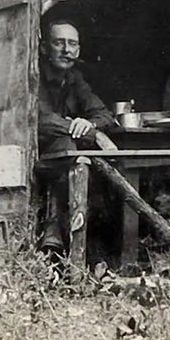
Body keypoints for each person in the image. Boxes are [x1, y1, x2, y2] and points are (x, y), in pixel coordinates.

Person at [36, 18, 118, 251]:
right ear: (44, 48)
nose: (66, 50)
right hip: (40, 155)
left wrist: (87, 124)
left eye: (72, 44)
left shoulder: (75, 79)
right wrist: (86, 132)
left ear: (79, 49)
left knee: (95, 166)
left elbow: (104, 114)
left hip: (66, 156)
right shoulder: (34, 75)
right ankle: (58, 237)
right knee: (70, 145)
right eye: (59, 43)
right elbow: (39, 120)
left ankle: (70, 240)